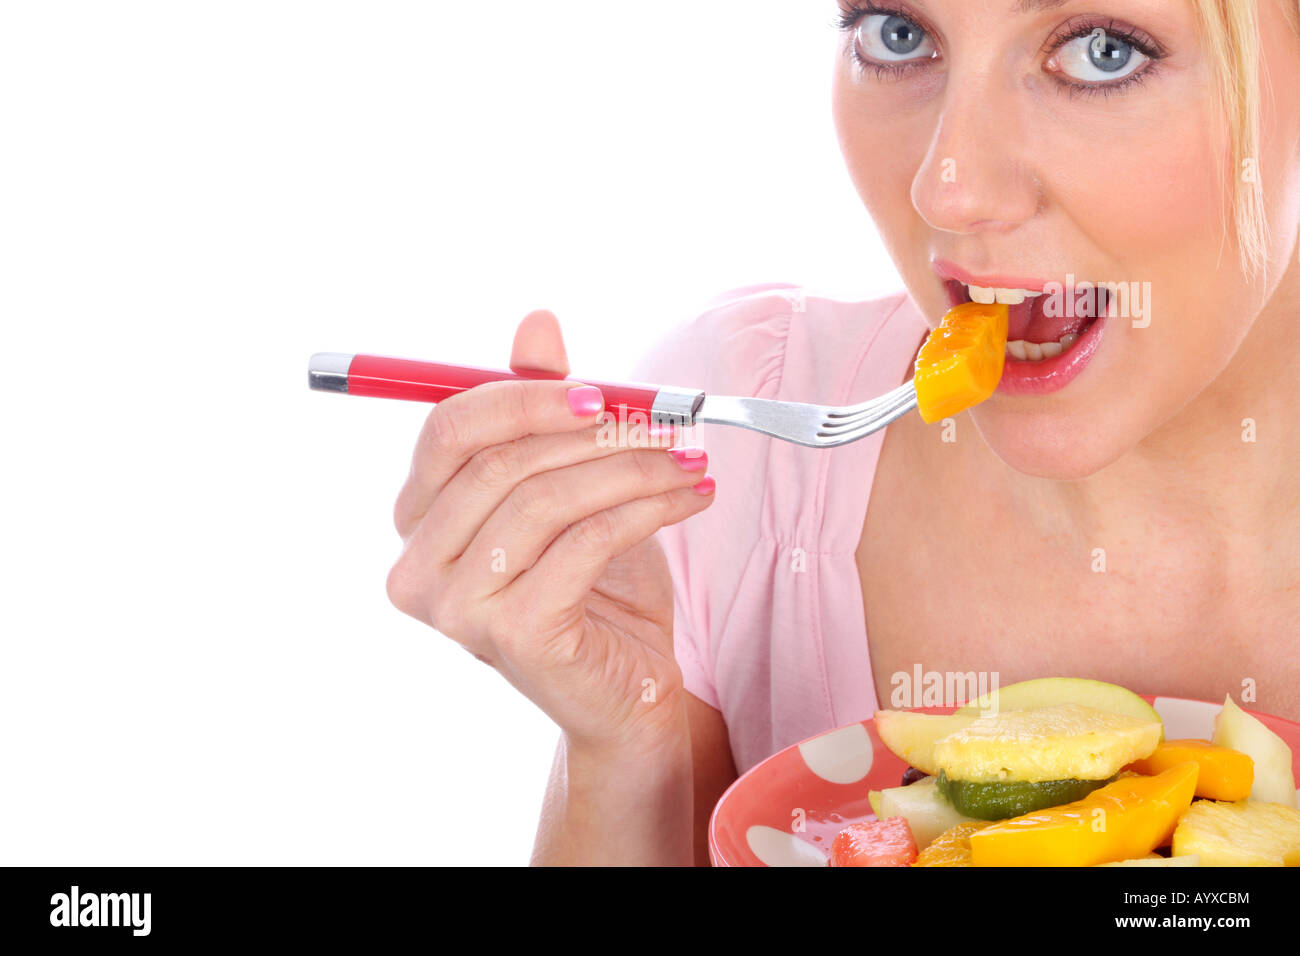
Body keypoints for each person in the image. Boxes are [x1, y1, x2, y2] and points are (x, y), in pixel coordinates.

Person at [384, 1, 1300, 865]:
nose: (950, 190)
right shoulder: (731, 448)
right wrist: (629, 747)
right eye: (897, 31)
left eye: (1104, 50)